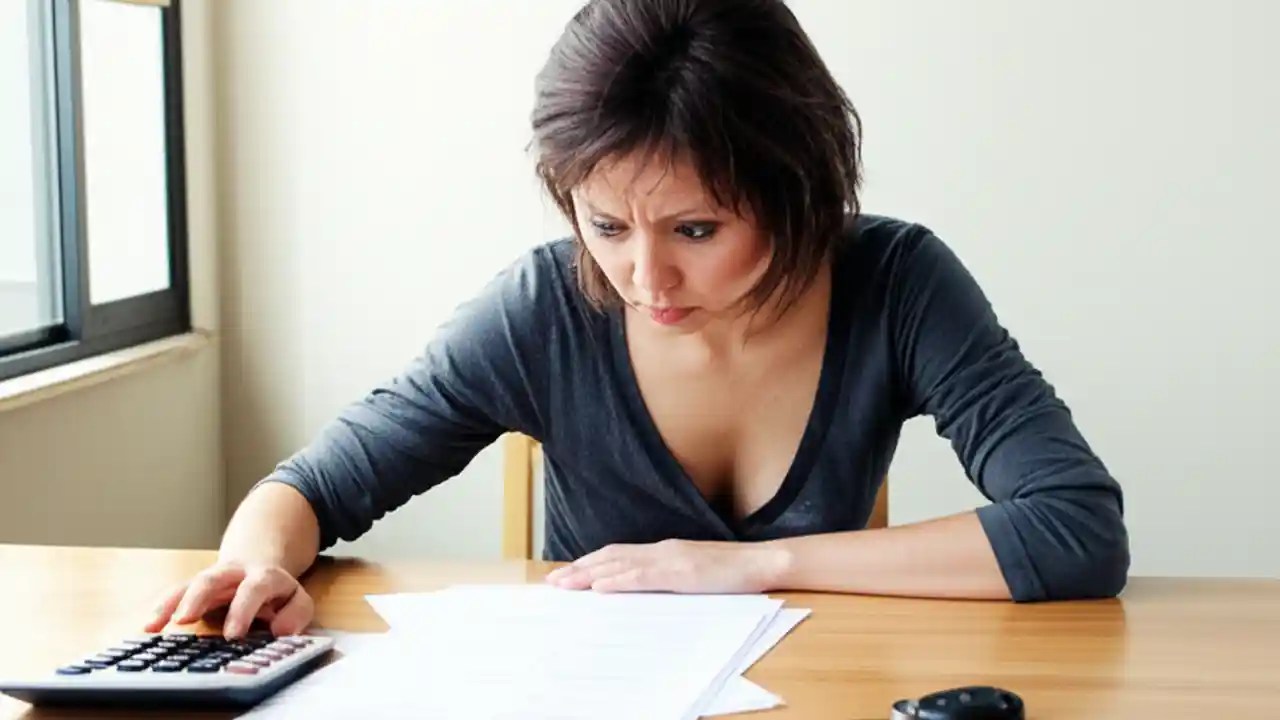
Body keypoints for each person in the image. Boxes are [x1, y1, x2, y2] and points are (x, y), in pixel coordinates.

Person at [147, 0, 1129, 640]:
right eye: (606, 223)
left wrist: (747, 568)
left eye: (696, 227)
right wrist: (254, 568)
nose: (642, 275)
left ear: (795, 189)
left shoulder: (896, 283)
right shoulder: (541, 307)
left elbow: (1075, 529)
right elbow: (312, 487)